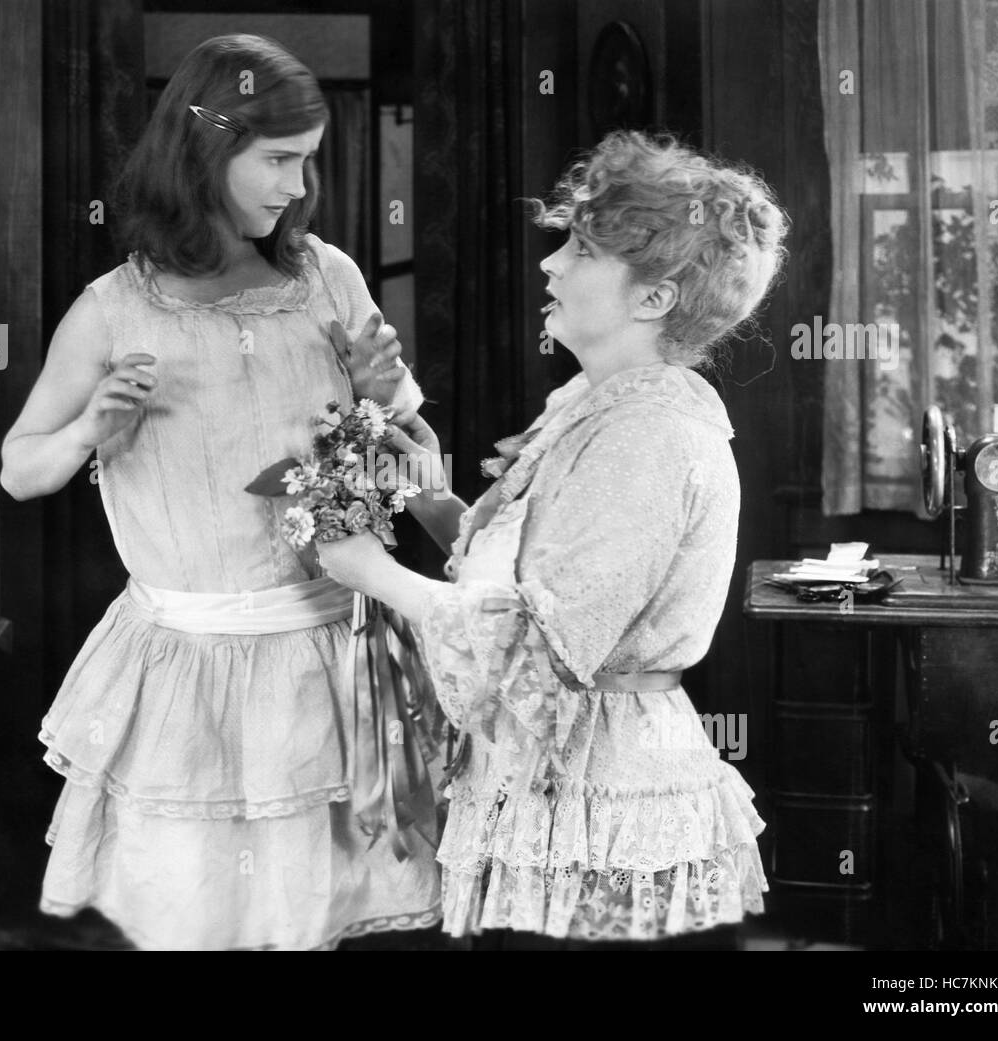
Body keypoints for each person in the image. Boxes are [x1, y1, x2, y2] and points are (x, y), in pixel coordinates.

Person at [0, 33, 440, 950]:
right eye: (278, 160)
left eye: (308, 163)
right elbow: (21, 466)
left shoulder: (328, 275)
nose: (297, 188)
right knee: (195, 922)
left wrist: (384, 383)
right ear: (206, 149)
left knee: (306, 920)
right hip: (185, 674)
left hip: (325, 660)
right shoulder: (113, 308)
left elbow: (406, 447)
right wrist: (87, 432)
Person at [317, 130, 788, 947]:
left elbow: (536, 646)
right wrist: (434, 503)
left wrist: (370, 572)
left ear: (653, 298)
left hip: (606, 803)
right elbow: (545, 577)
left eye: (580, 248)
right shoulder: (595, 404)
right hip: (553, 786)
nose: (550, 265)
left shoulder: (650, 433)